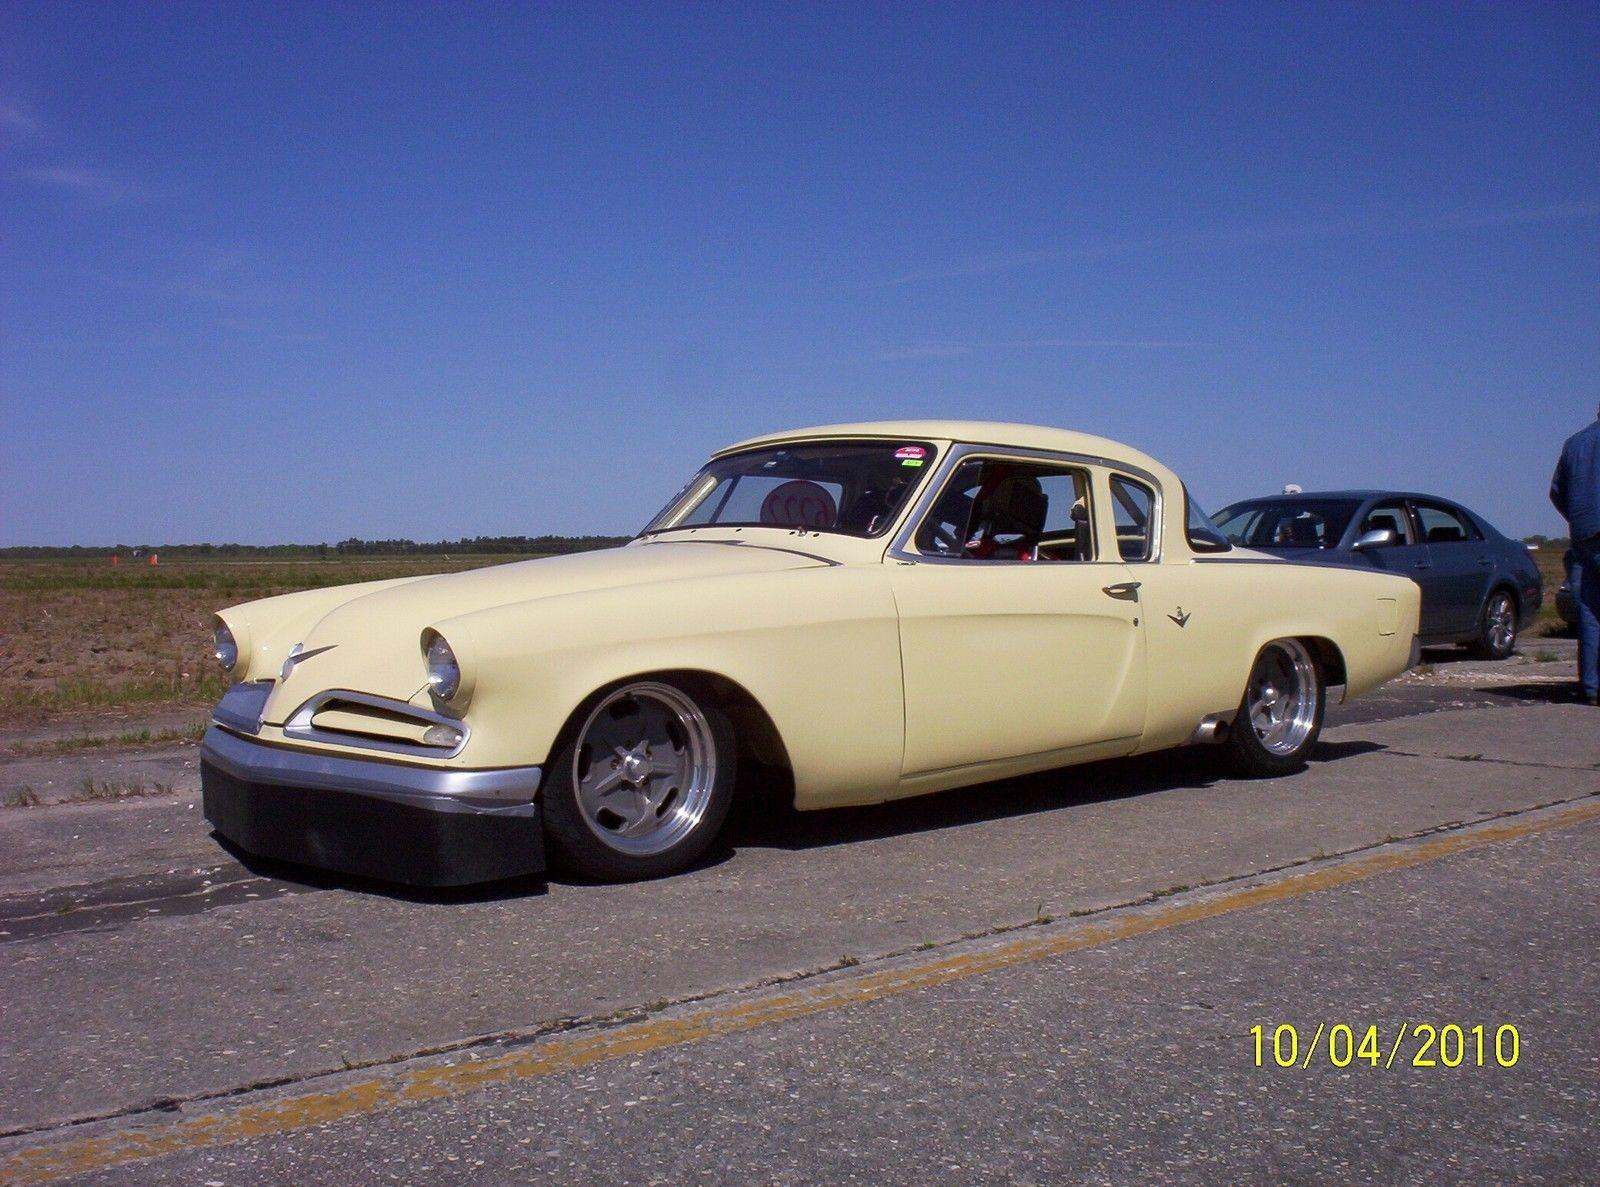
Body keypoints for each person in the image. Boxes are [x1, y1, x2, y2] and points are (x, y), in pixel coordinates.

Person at [1550, 406, 1600, 704]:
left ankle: (1592, 687)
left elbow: (1556, 491)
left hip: (1584, 535)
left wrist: (1578, 520)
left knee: (1590, 612)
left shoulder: (1575, 444)